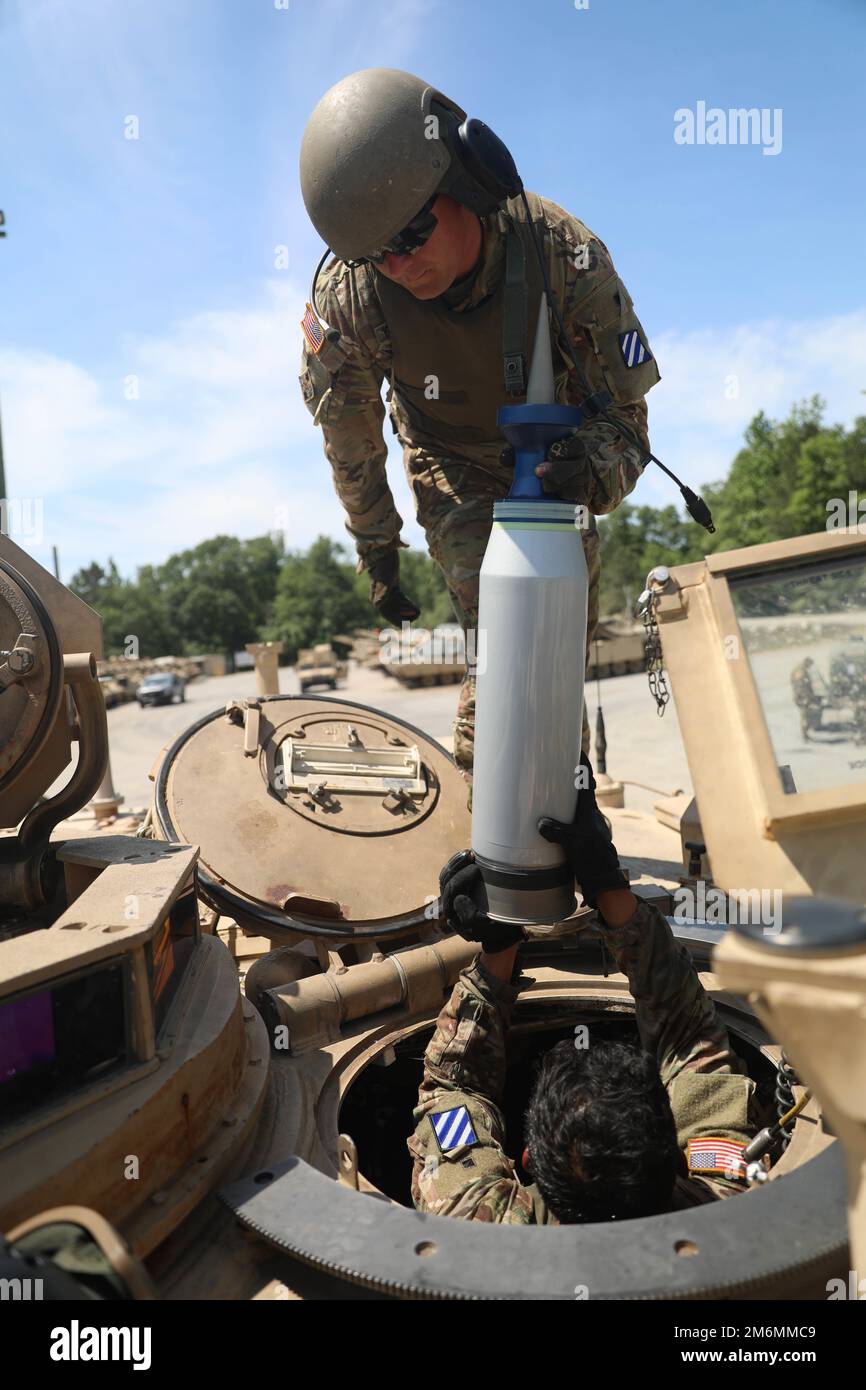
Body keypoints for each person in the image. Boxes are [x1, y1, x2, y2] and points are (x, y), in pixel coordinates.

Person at [299, 68, 659, 781]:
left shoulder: (560, 252)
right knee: (500, 633)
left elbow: (629, 421)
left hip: (562, 454)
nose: (399, 267)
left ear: (467, 178)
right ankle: (495, 823)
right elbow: (352, 439)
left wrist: (592, 471)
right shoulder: (351, 299)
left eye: (412, 233)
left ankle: (564, 807)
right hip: (448, 459)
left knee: (556, 643)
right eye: (376, 254)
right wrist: (378, 551)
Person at [407, 756, 759, 1224]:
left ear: (527, 1159)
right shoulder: (724, 1192)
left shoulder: (477, 1217)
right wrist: (609, 886)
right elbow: (691, 1039)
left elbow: (452, 1087)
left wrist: (500, 942)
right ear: (678, 1151)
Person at [790, 657, 824, 741]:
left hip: (804, 697)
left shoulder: (801, 670)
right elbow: (800, 687)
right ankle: (805, 735)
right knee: (805, 716)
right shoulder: (800, 671)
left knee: (807, 715)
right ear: (807, 663)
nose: (810, 667)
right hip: (802, 698)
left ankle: (806, 734)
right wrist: (806, 698)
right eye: (810, 665)